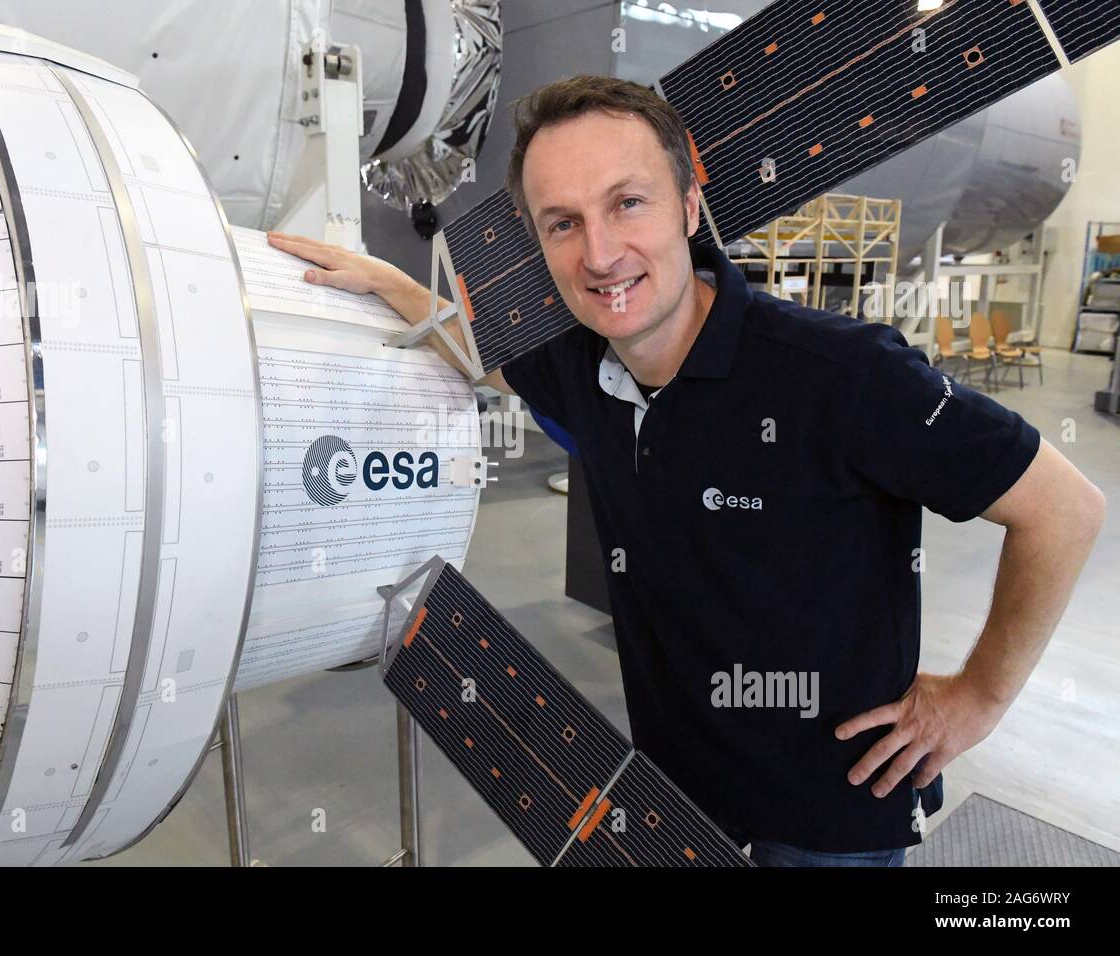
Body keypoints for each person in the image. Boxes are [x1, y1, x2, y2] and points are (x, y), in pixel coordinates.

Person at [267, 75, 1106, 866]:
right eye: (562, 222)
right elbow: (478, 355)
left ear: (688, 207)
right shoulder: (579, 367)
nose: (599, 253)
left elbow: (1064, 509)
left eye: (627, 203)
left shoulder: (842, 375)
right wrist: (387, 283)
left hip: (833, 816)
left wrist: (979, 698)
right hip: (678, 797)